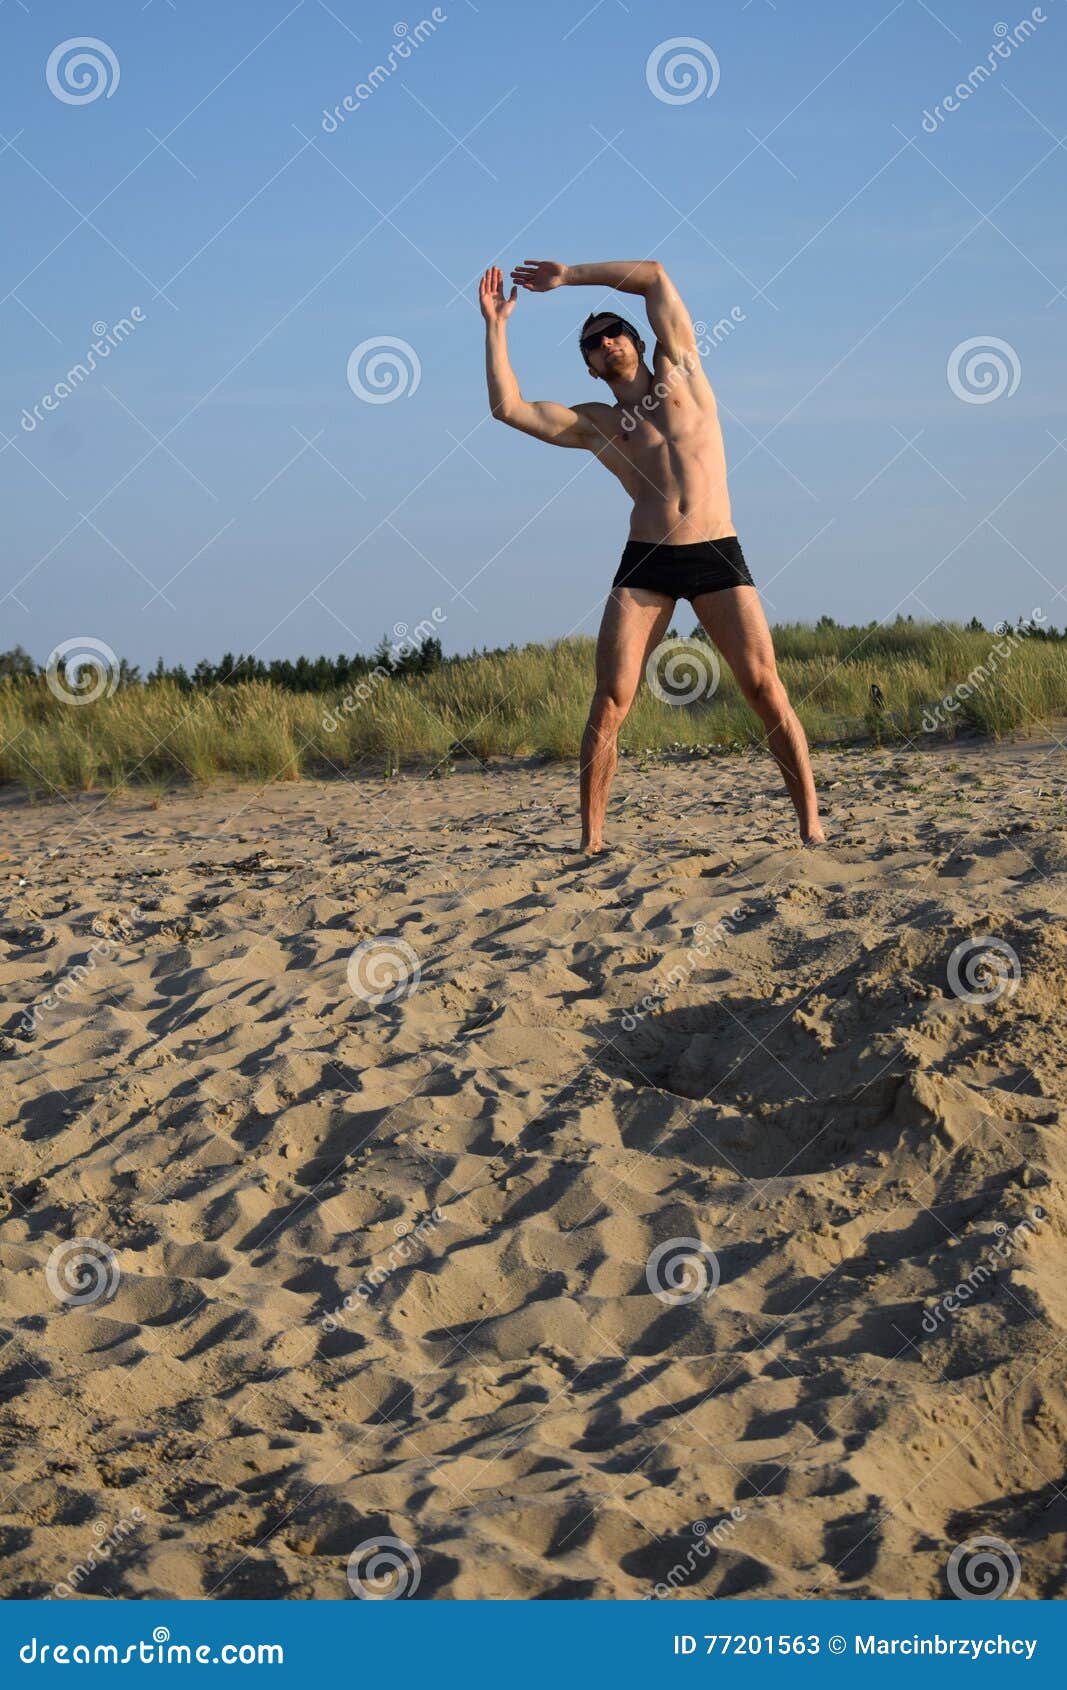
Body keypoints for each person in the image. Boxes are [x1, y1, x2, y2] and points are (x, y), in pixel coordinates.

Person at [479, 258, 826, 854]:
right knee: (612, 698)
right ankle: (591, 841)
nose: (605, 343)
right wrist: (496, 326)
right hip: (647, 563)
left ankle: (811, 825)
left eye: (614, 332)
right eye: (592, 344)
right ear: (590, 368)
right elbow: (508, 407)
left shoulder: (681, 366)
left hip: (716, 552)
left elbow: (655, 276)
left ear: (639, 340)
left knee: (765, 687)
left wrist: (568, 277)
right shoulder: (597, 424)